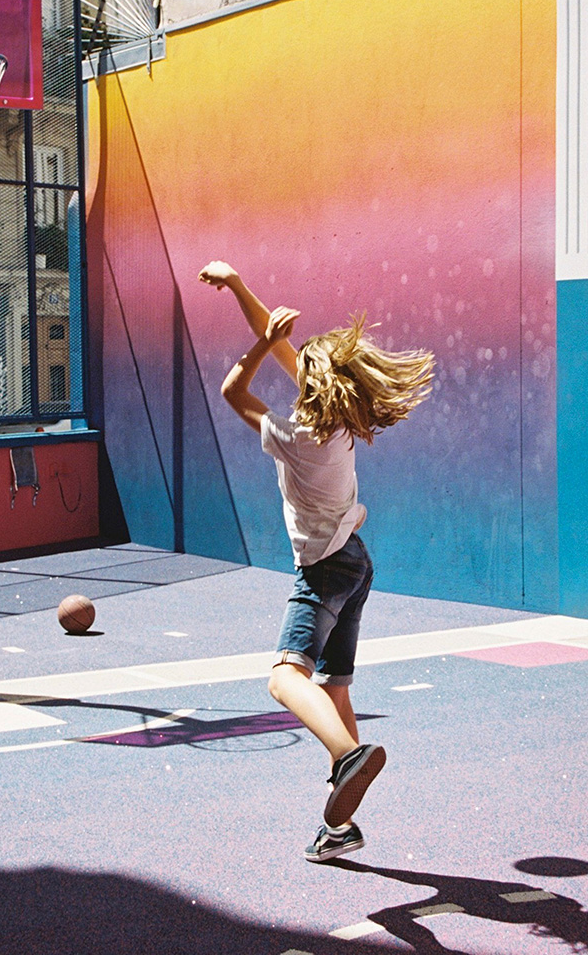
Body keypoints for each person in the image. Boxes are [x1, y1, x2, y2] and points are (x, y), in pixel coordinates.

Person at [198, 261, 434, 862]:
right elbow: (285, 345)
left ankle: (351, 756)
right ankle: (340, 824)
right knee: (334, 688)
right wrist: (239, 287)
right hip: (356, 562)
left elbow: (232, 391)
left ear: (312, 383)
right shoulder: (342, 423)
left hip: (325, 571)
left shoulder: (294, 435)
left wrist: (258, 342)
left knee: (284, 678)